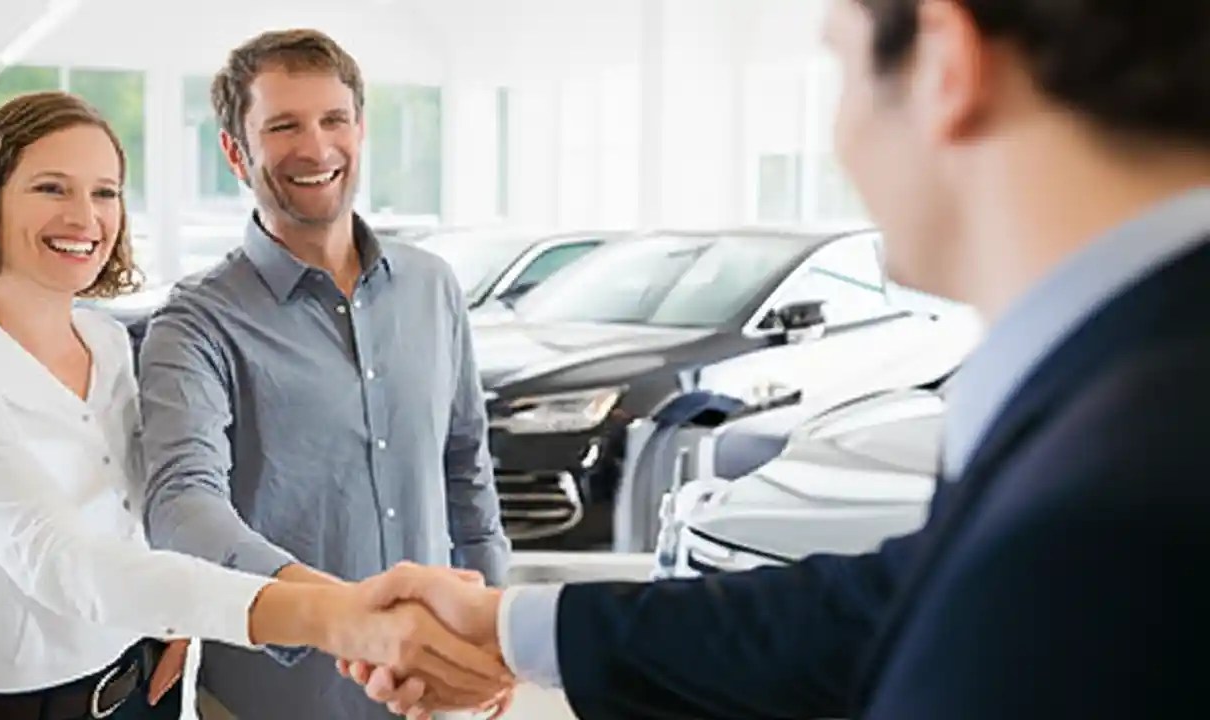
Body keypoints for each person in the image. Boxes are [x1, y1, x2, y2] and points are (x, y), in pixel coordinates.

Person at [351, 0, 1210, 717]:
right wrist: (510, 629)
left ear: (946, 66)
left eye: (839, 69)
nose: (839, 140)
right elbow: (888, 607)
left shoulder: (1111, 502)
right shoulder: (1136, 381)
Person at [0, 91, 509, 720]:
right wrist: (344, 616)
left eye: (105, 192)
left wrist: (175, 612)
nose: (85, 217)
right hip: (13, 707)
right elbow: (63, 561)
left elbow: (143, 510)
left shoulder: (107, 342)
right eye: (51, 188)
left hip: (144, 686)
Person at [134, 29, 511, 720]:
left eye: (333, 120)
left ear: (360, 130)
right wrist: (341, 614)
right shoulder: (196, 323)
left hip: (433, 698)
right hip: (277, 702)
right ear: (234, 152)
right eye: (283, 126)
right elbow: (181, 508)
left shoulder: (433, 287)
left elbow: (466, 471)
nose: (315, 148)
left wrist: (496, 630)